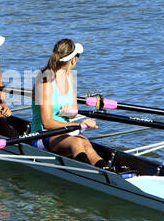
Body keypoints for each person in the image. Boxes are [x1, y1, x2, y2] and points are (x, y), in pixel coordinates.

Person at [32, 39, 109, 168]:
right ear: (73, 60)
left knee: (86, 144)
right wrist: (80, 125)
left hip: (66, 131)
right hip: (42, 134)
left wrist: (69, 113)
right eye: (77, 57)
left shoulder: (69, 77)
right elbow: (47, 123)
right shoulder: (45, 81)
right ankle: (89, 173)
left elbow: (74, 111)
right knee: (77, 144)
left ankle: (107, 170)